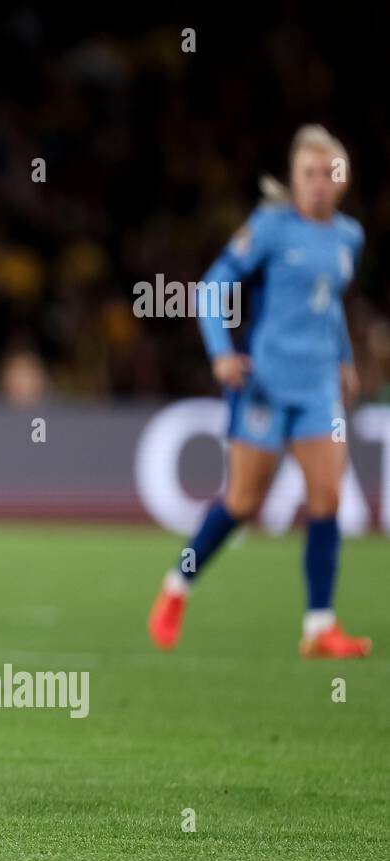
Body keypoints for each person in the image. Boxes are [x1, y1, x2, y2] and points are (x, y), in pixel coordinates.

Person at [148, 125, 371, 660]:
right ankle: (177, 586)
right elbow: (212, 287)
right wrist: (221, 352)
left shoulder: (349, 237)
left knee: (329, 498)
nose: (319, 183)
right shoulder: (270, 228)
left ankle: (319, 627)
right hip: (266, 385)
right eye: (309, 173)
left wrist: (343, 358)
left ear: (342, 181)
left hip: (318, 388)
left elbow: (329, 300)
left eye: (328, 174)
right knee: (243, 502)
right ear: (294, 180)